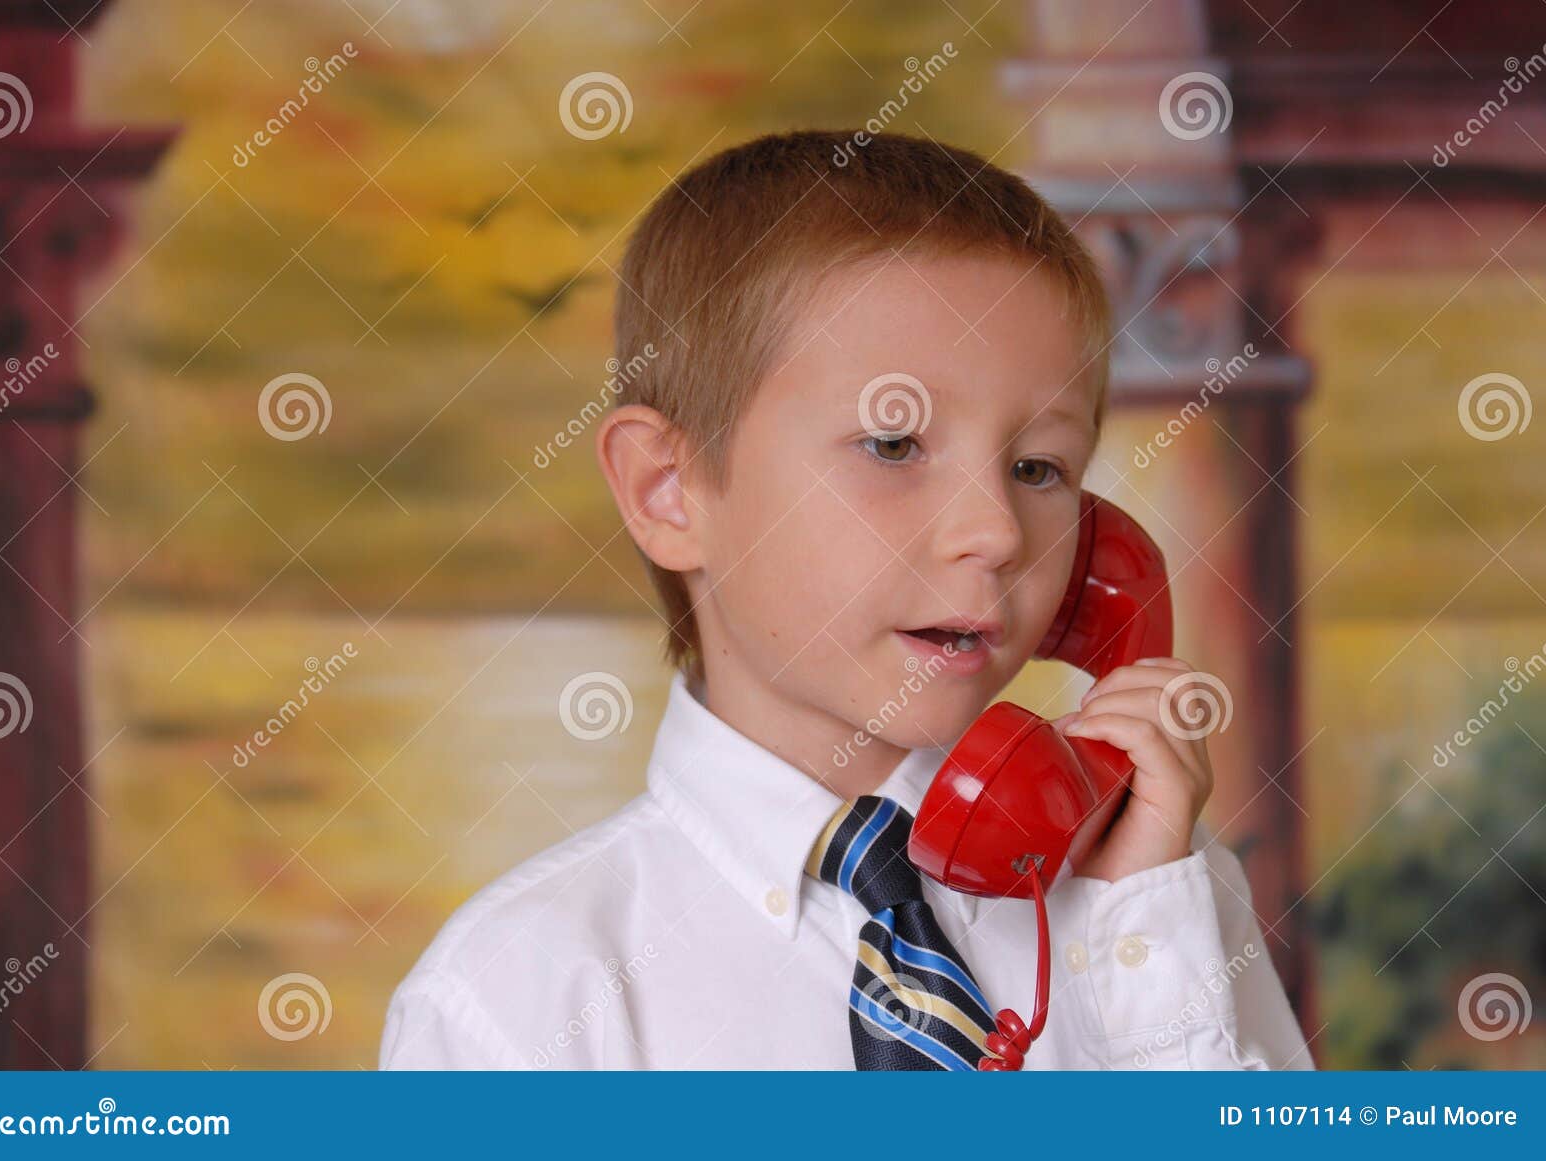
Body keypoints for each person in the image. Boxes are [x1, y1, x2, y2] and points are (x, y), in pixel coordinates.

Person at [378, 128, 1314, 1070]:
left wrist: (1146, 953)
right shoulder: (517, 999)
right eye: (894, 447)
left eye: (1039, 467)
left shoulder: (1162, 902)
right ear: (670, 490)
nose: (995, 531)